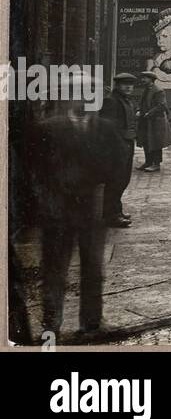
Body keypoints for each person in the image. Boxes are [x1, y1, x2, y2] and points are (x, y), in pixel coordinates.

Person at [30, 103, 119, 340]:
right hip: (57, 212)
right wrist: (45, 200)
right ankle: (50, 325)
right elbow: (35, 168)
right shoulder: (48, 129)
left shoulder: (105, 129)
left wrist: (107, 204)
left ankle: (91, 323)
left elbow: (116, 166)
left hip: (91, 210)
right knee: (54, 270)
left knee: (93, 268)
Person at [99, 73, 137, 226]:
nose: (128, 87)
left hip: (126, 145)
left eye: (131, 84)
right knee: (115, 181)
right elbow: (107, 127)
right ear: (117, 85)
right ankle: (111, 216)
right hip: (116, 148)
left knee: (122, 180)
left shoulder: (125, 100)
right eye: (124, 84)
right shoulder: (111, 101)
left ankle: (117, 210)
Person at [135, 70, 171, 172]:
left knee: (156, 143)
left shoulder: (158, 90)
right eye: (142, 78)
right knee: (146, 141)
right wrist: (138, 110)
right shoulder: (146, 90)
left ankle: (156, 164)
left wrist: (149, 113)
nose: (142, 80)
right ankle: (148, 162)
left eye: (144, 78)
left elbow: (162, 106)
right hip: (146, 120)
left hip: (156, 121)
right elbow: (141, 103)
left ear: (151, 79)